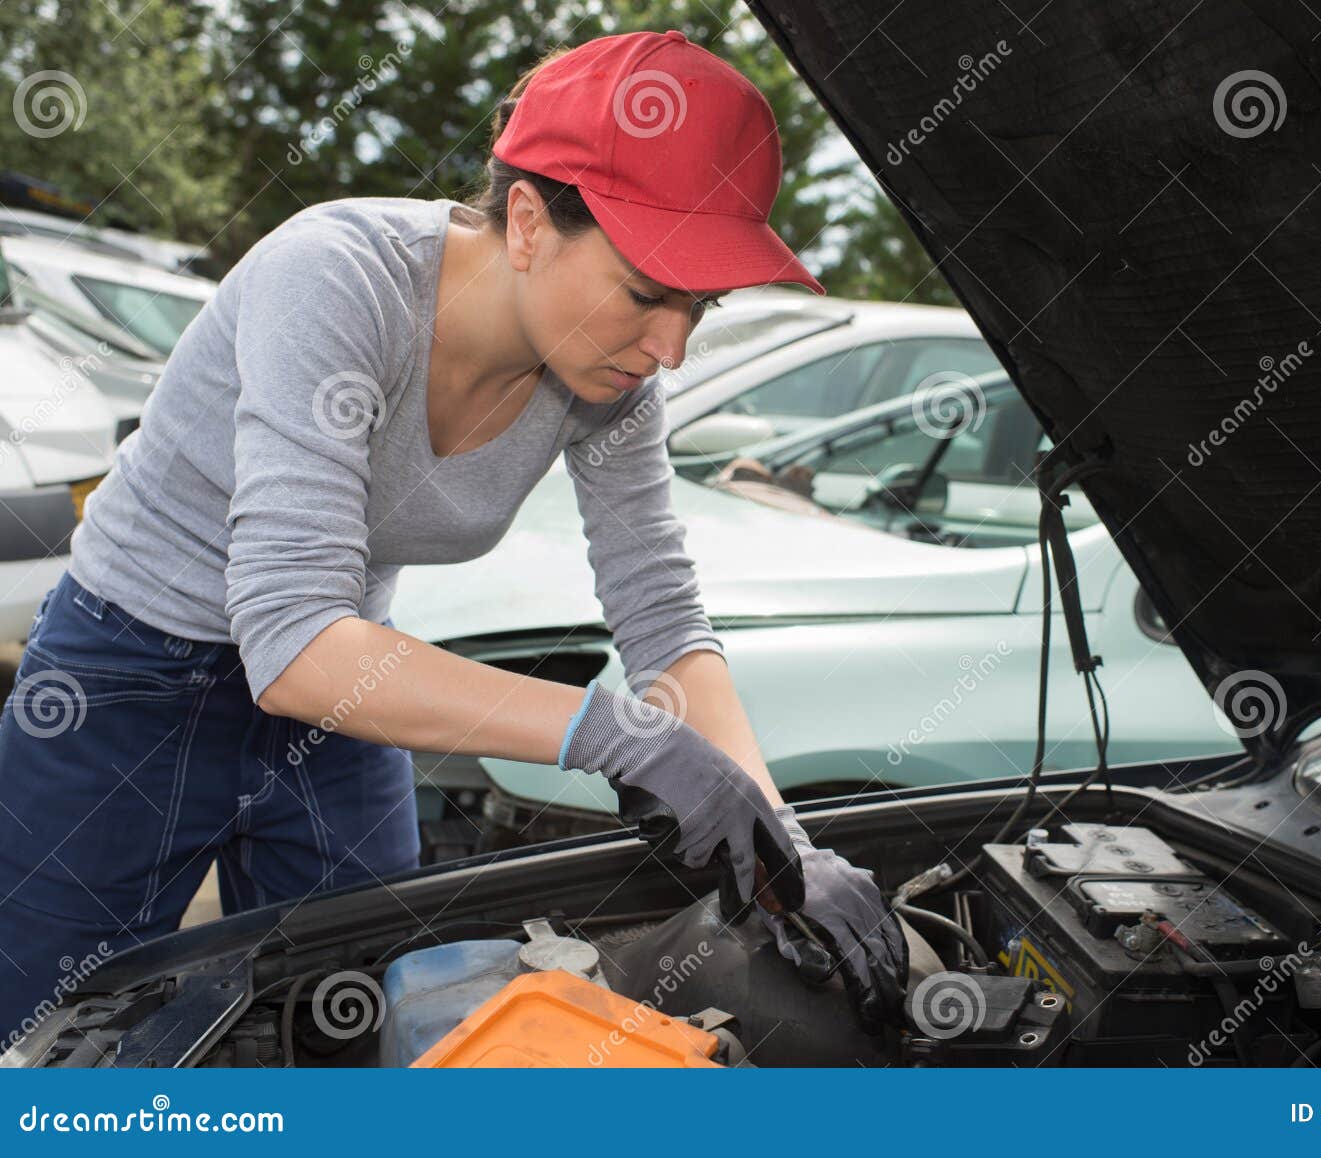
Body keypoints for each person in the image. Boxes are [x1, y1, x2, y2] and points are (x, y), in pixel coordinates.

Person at [0, 29, 905, 1044]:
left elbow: (659, 611)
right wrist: (612, 732)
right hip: (130, 680)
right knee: (49, 1031)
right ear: (527, 222)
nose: (672, 348)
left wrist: (784, 838)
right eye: (648, 294)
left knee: (357, 1018)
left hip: (344, 702)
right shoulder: (335, 279)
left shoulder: (612, 381)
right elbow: (291, 643)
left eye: (701, 306)